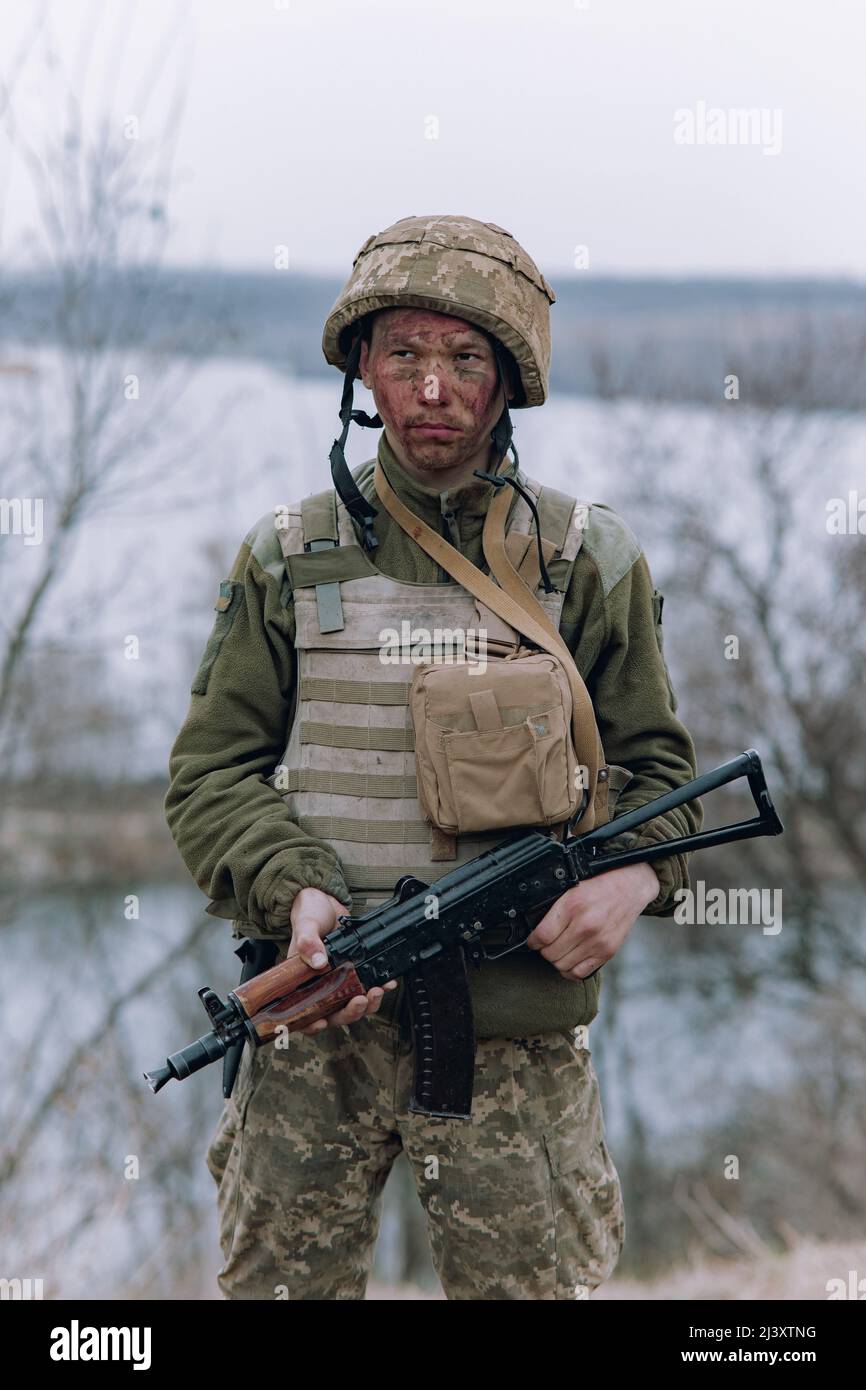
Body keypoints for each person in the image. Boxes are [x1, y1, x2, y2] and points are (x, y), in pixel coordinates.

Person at [164, 214, 702, 1300]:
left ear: (508, 380)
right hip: (311, 1037)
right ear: (361, 365)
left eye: (463, 359)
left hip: (512, 1042)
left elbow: (659, 771)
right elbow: (209, 775)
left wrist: (632, 874)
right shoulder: (288, 557)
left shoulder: (582, 558)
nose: (430, 389)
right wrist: (297, 890)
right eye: (402, 354)